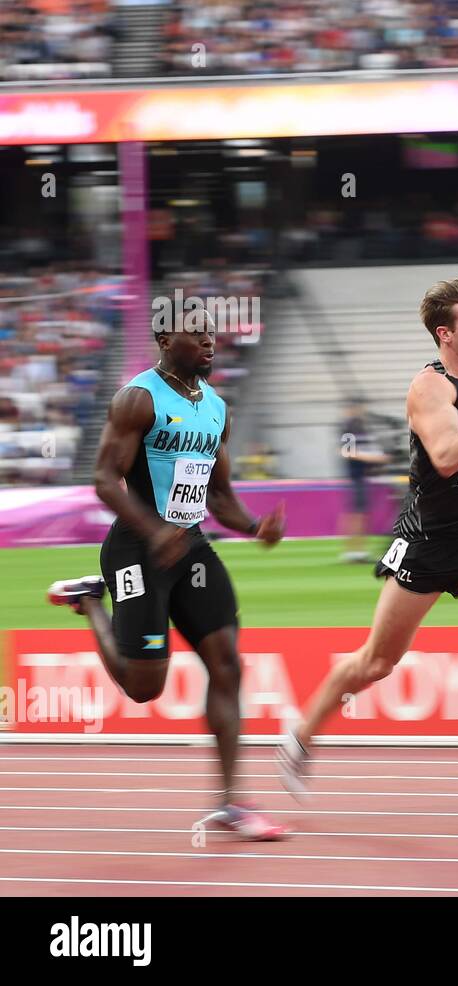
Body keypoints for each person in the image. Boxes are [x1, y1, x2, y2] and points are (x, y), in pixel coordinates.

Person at [278, 278, 458, 796]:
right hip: (428, 543)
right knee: (376, 662)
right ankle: (300, 736)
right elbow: (445, 457)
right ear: (445, 333)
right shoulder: (430, 387)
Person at [48, 313, 287, 839]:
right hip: (137, 550)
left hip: (190, 547)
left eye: (212, 332)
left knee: (227, 663)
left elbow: (219, 497)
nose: (208, 339)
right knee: (142, 687)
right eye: (195, 331)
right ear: (163, 339)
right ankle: (91, 601)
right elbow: (104, 479)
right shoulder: (139, 399)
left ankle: (231, 803)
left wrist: (254, 527)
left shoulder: (217, 408)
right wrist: (153, 531)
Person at [339, 398, 388, 563]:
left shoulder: (360, 428)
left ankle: (358, 550)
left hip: (362, 477)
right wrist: (373, 458)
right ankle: (354, 551)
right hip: (355, 476)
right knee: (356, 514)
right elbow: (346, 452)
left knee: (360, 514)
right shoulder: (349, 427)